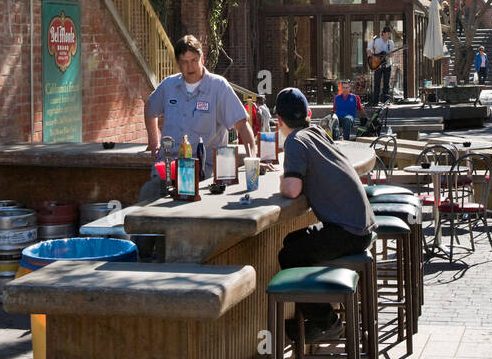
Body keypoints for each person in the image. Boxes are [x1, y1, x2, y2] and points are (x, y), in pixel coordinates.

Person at [275, 87, 375, 340]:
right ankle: (310, 320)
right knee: (293, 242)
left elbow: (293, 189)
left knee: (289, 256)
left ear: (279, 120)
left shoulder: (295, 142)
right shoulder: (318, 131)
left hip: (347, 232)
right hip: (362, 225)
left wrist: (282, 179)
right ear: (308, 113)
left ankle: (327, 321)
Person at [143, 34, 256, 180]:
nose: (190, 67)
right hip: (168, 169)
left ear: (202, 59)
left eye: (194, 60)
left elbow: (242, 125)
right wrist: (154, 142)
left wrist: (253, 160)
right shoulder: (168, 85)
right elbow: (149, 108)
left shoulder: (219, 87)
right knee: (145, 196)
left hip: (204, 172)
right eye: (184, 62)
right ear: (178, 63)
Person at [367, 24, 395, 107]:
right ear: (383, 33)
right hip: (378, 65)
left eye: (389, 34)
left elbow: (392, 54)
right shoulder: (376, 41)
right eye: (387, 33)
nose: (388, 35)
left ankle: (385, 101)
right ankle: (375, 101)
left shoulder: (391, 43)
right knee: (377, 83)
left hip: (387, 65)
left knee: (386, 83)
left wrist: (390, 54)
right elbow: (368, 50)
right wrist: (374, 58)